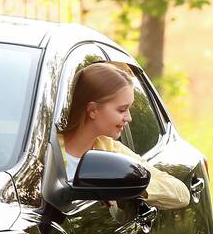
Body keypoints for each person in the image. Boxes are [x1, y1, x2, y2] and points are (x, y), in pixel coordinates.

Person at [57, 61, 189, 210]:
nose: (129, 118)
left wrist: (132, 186)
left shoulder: (113, 150)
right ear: (93, 110)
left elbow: (182, 194)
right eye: (122, 110)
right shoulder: (44, 152)